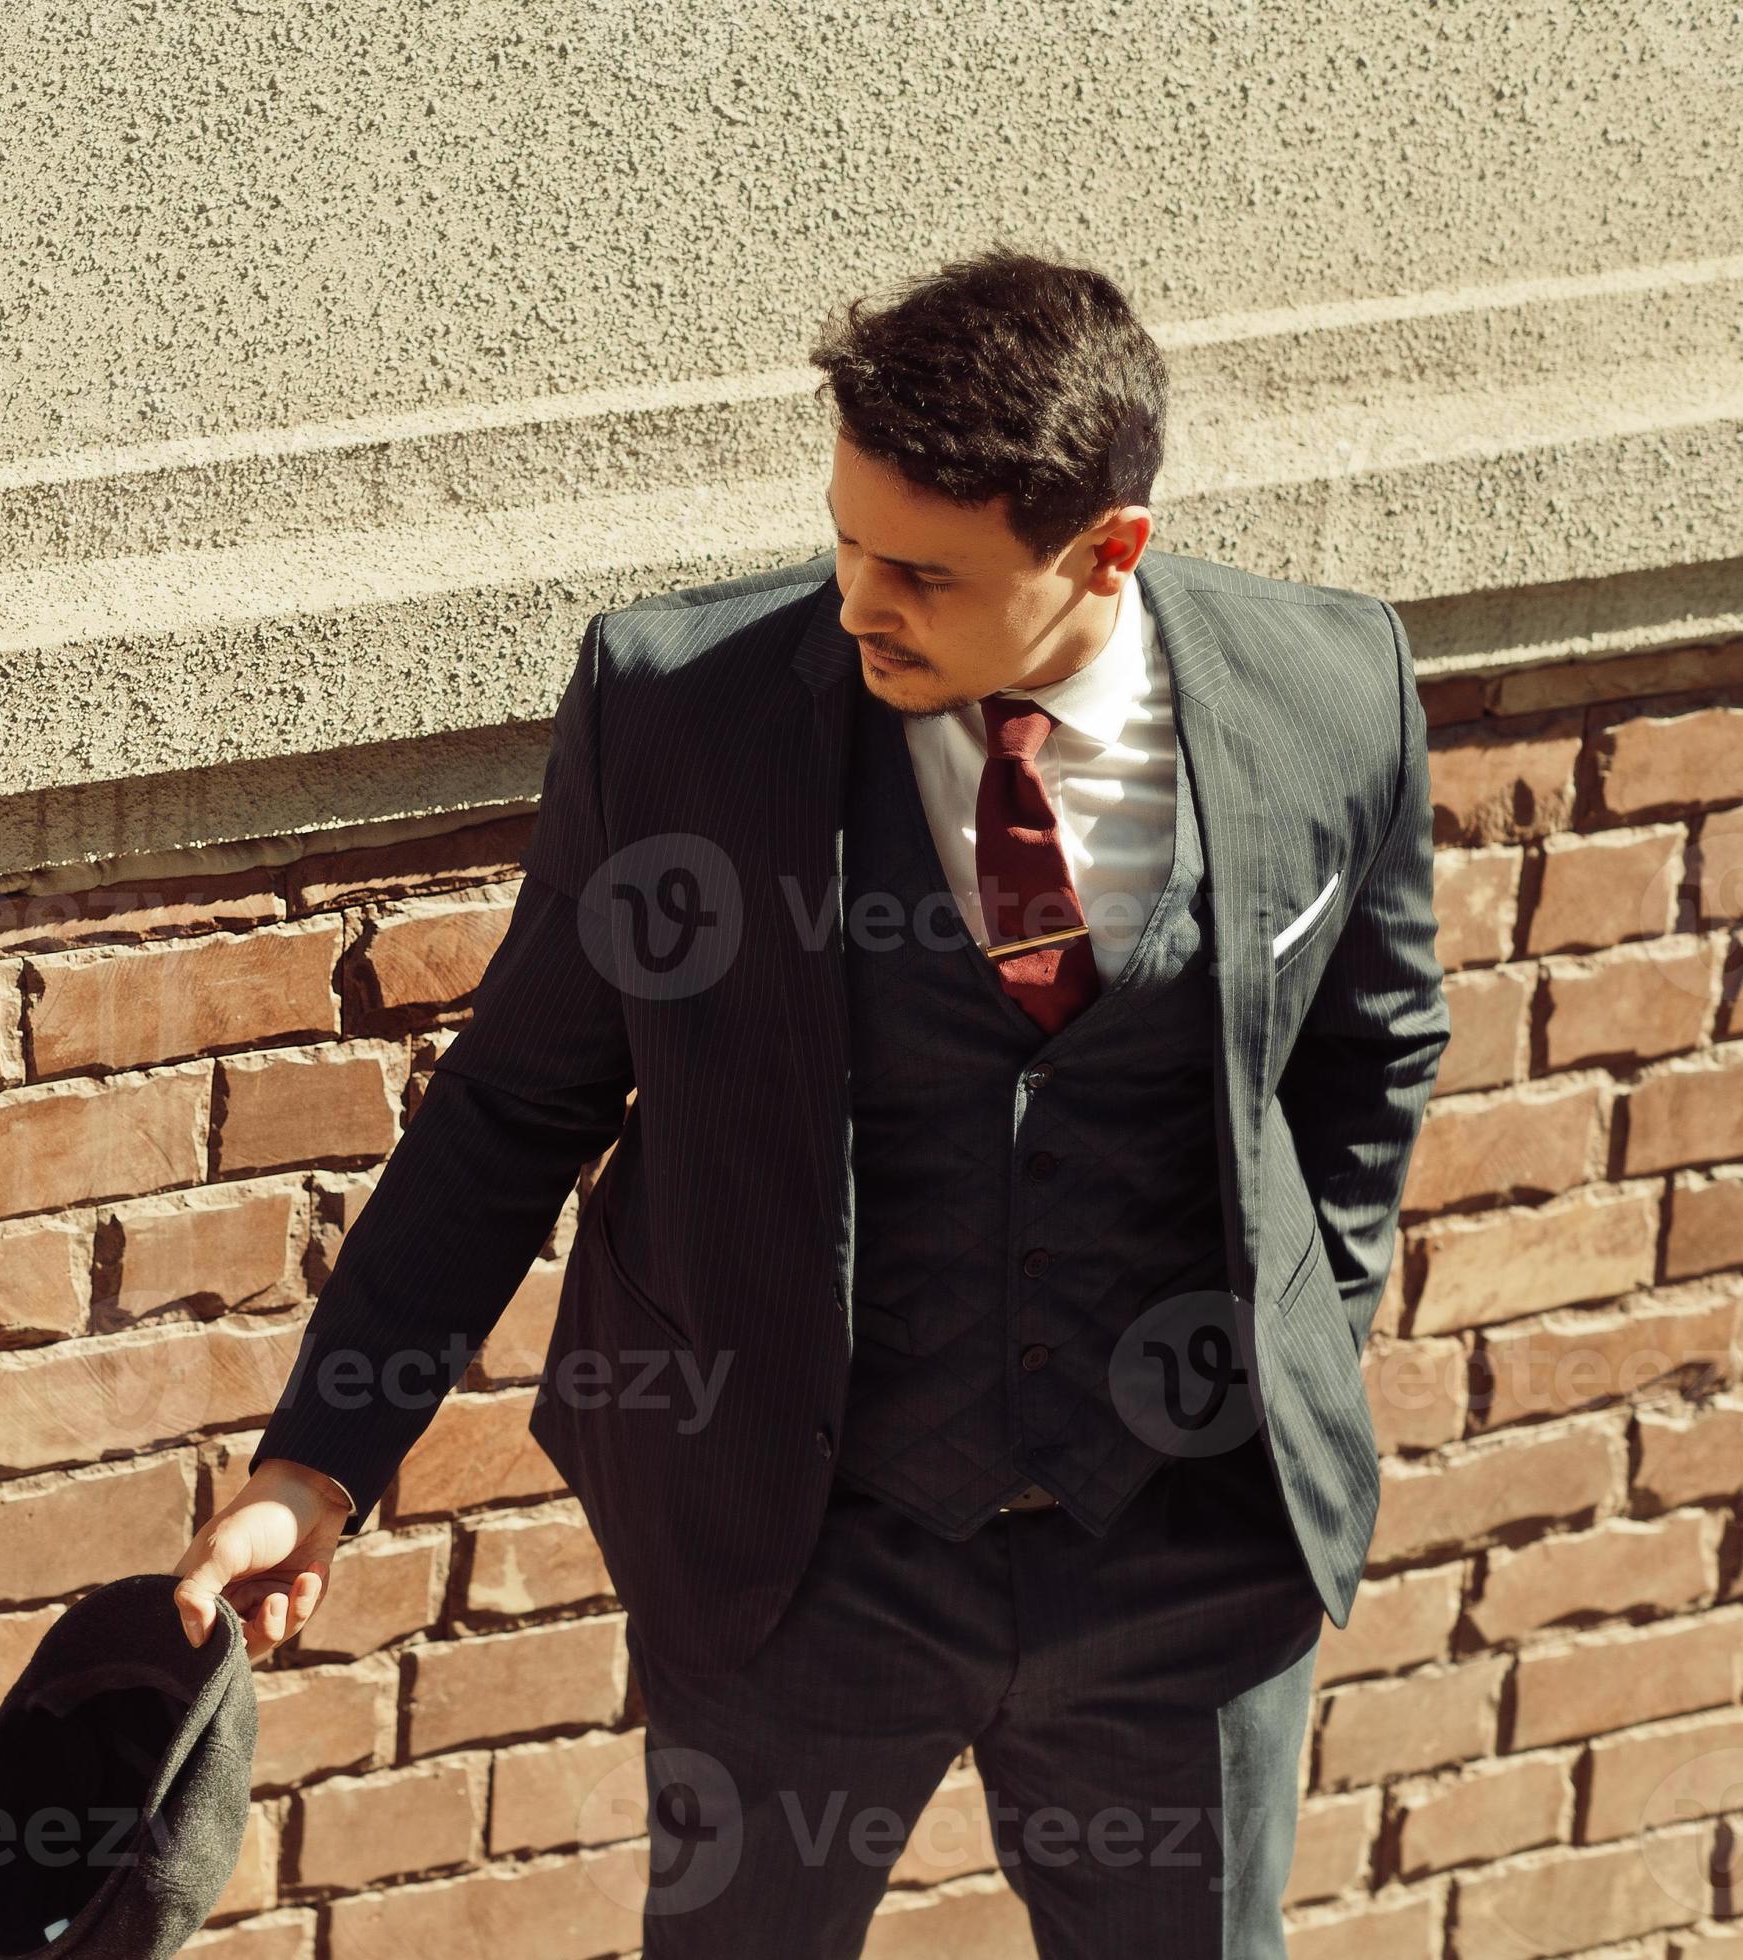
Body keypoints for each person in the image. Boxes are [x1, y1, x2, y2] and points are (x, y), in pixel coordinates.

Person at [171, 246, 1449, 1957]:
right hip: (796, 1566)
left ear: (1107, 547)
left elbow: (1375, 1046)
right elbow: (511, 1111)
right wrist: (317, 1463)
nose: (859, 600)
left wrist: (1307, 1334)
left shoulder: (1328, 688)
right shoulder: (680, 714)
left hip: (1185, 1562)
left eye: (921, 571)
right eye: (845, 539)